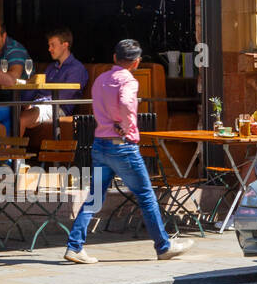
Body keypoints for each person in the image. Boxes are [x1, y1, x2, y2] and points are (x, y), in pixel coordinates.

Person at [64, 39, 194, 265]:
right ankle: (163, 246)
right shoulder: (129, 81)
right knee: (146, 196)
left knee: (94, 198)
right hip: (122, 146)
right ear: (136, 63)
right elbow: (125, 102)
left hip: (100, 144)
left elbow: (97, 106)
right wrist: (124, 125)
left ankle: (74, 246)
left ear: (115, 58)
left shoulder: (101, 79)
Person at [19, 27, 87, 136]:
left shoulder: (77, 68)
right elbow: (37, 86)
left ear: (65, 45)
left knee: (22, 118)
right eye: (49, 45)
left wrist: (36, 103)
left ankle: (10, 153)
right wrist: (24, 102)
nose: (49, 49)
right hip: (41, 105)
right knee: (10, 114)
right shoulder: (51, 67)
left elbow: (64, 96)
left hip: (58, 108)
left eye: (52, 45)